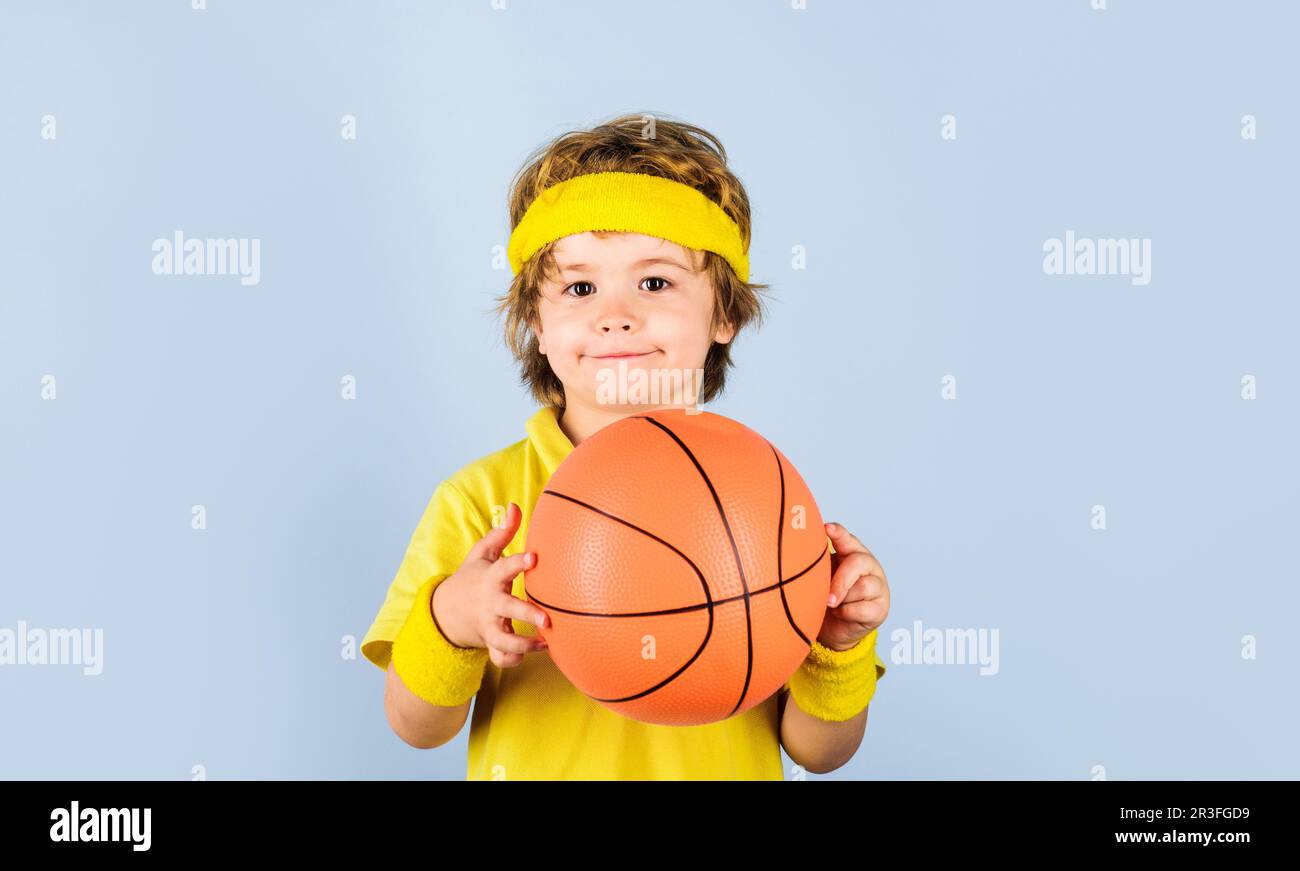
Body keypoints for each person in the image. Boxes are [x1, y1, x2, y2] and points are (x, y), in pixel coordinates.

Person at [362, 113, 890, 779]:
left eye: (655, 281)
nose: (616, 312)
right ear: (537, 323)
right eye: (580, 287)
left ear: (724, 313)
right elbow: (415, 727)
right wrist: (452, 619)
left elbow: (822, 753)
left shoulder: (765, 501)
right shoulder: (481, 502)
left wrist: (836, 650)